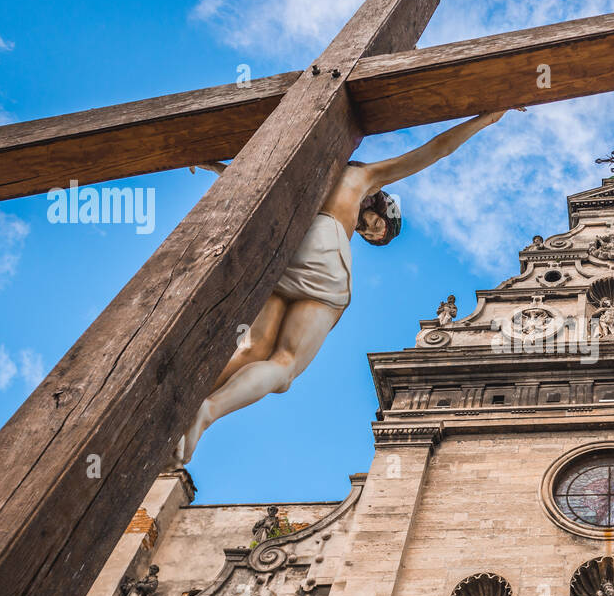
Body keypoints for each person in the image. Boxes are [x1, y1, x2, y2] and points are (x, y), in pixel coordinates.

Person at [174, 109, 522, 465]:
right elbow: (436, 149)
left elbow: (261, 182)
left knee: (252, 348)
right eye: (375, 228)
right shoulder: (363, 176)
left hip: (282, 245)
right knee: (284, 364)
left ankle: (181, 411)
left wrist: (214, 165)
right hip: (323, 248)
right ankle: (207, 411)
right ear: (383, 206)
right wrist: (488, 117)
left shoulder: (310, 175)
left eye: (371, 235)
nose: (368, 233)